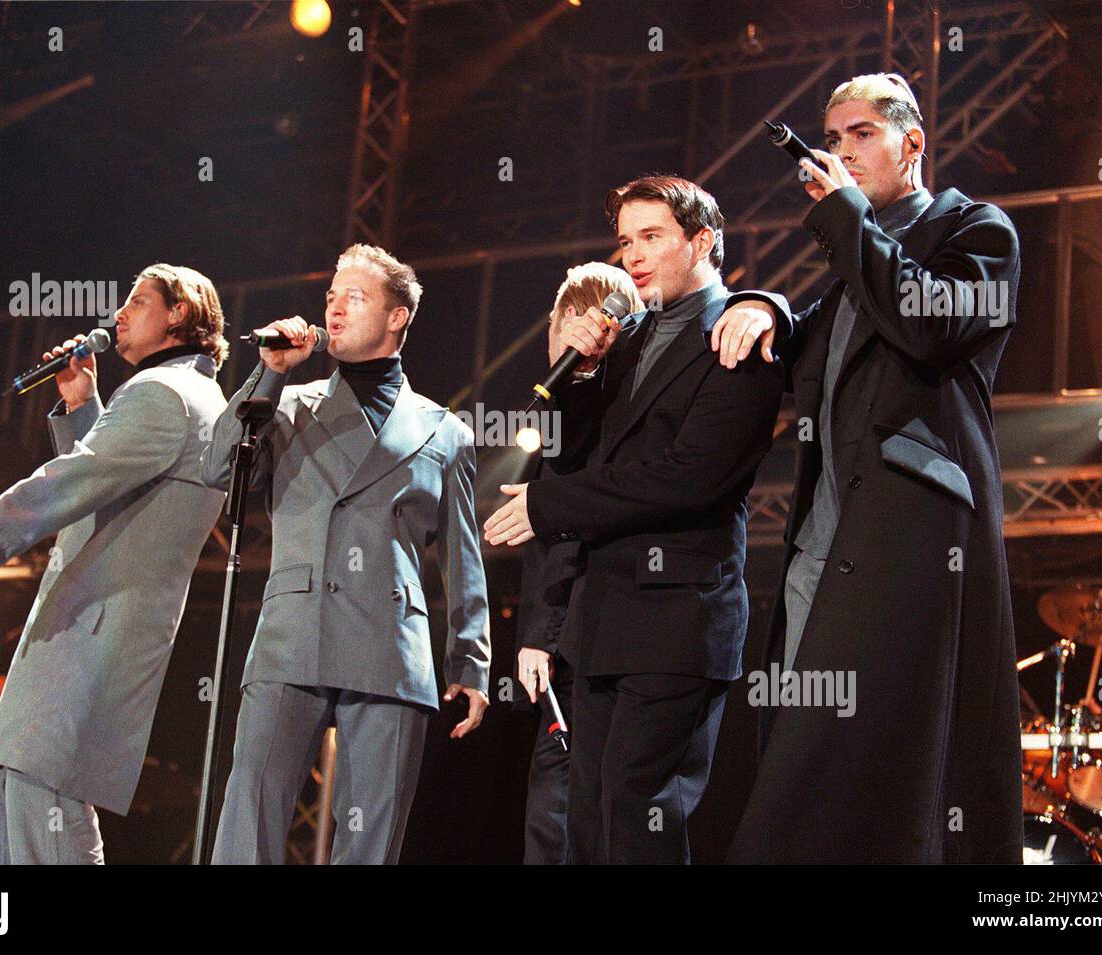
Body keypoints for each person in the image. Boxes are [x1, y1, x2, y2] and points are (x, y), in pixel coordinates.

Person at [712, 74, 1024, 862]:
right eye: (833, 139)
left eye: (861, 136)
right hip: (824, 538)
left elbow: (931, 324)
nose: (841, 153)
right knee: (800, 760)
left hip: (909, 537)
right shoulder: (857, 262)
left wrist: (846, 218)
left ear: (912, 142)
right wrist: (765, 307)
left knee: (874, 768)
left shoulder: (974, 229)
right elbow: (806, 342)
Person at [485, 175, 787, 863]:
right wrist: (583, 374)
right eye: (626, 241)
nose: (635, 256)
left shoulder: (738, 333)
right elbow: (567, 455)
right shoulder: (627, 338)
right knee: (586, 820)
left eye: (653, 237)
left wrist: (546, 507)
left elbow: (687, 479)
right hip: (601, 623)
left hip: (678, 621)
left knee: (636, 809)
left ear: (703, 241)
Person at [0, 264, 230, 864]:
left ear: (179, 314)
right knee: (0, 778)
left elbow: (68, 484)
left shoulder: (165, 395)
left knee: (42, 799)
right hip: (79, 633)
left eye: (138, 302)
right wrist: (83, 405)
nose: (119, 315)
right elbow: (103, 489)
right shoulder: (180, 396)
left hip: (92, 637)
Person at [202, 243, 490, 865]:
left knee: (370, 844)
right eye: (331, 296)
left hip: (390, 644)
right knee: (246, 827)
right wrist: (272, 370)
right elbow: (216, 466)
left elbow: (463, 555)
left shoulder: (446, 431)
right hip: (292, 632)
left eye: (355, 297)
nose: (334, 308)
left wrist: (470, 660)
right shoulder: (285, 403)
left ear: (396, 318)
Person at [514, 262, 641, 865]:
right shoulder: (581, 409)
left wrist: (540, 636)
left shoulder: (593, 412)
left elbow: (564, 533)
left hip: (582, 639)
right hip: (586, 636)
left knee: (562, 813)